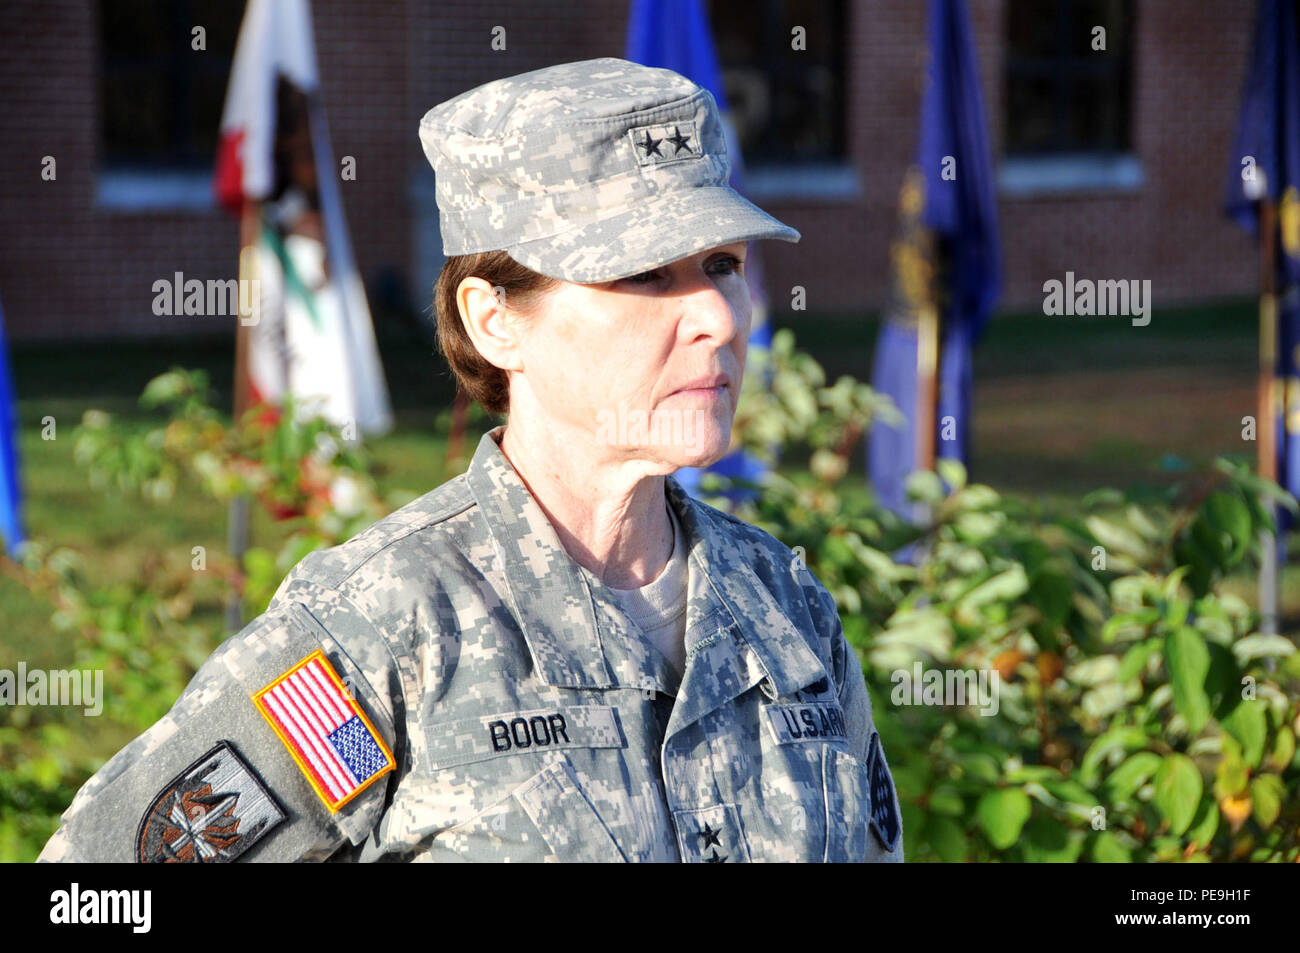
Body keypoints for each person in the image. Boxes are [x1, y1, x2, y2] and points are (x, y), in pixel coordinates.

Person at [38, 57, 903, 863]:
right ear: (494, 320)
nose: (718, 316)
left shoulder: (785, 611)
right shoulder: (389, 629)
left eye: (722, 265)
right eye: (645, 273)